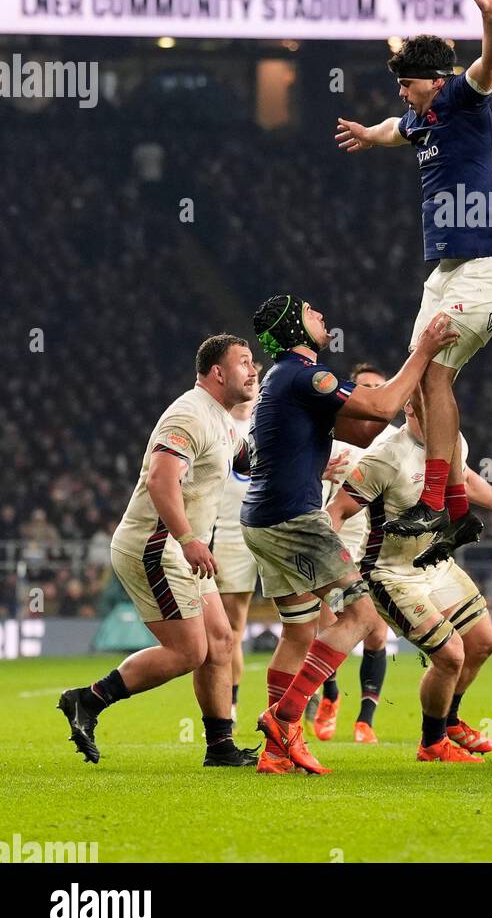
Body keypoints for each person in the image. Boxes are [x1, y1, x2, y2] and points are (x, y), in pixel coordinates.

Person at [336, 0, 492, 563]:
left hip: (487, 267)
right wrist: (370, 133)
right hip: (444, 273)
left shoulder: (462, 98)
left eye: (408, 83)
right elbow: (398, 128)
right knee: (415, 387)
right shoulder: (420, 117)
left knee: (434, 373)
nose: (402, 93)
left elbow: (490, 66)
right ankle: (460, 511)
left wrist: (490, 16)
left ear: (435, 80)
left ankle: (439, 500)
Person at [243, 294, 457, 775]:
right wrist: (423, 352)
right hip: (293, 520)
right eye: (307, 311)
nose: (319, 312)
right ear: (295, 330)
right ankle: (285, 719)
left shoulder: (285, 381)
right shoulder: (304, 375)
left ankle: (278, 752)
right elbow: (380, 408)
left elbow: (362, 434)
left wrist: (415, 390)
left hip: (264, 520)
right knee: (361, 617)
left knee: (299, 629)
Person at [59, 335, 260, 768]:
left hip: (179, 547)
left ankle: (220, 747)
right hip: (156, 546)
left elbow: (247, 460)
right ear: (218, 372)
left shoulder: (222, 419)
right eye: (244, 362)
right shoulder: (189, 414)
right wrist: (189, 540)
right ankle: (87, 701)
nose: (253, 369)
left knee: (221, 640)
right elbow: (160, 481)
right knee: (190, 651)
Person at [328, 397, 492, 761]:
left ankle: (448, 720)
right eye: (432, 407)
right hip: (390, 572)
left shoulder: (453, 439)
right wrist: (335, 573)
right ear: (410, 409)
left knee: (483, 642)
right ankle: (432, 743)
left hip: (434, 563)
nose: (442, 414)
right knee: (450, 654)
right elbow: (336, 510)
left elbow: (464, 477)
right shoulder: (385, 457)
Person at [311, 362, 398, 745]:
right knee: (331, 624)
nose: (374, 393)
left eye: (380, 387)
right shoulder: (336, 434)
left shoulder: (398, 441)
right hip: (338, 544)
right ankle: (330, 695)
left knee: (376, 633)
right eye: (365, 387)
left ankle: (365, 720)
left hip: (377, 550)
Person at [214, 361, 263, 727]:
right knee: (233, 628)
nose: (250, 382)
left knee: (306, 619)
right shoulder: (219, 427)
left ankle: (311, 695)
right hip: (231, 533)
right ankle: (229, 708)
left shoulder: (274, 424)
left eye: (255, 377)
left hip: (277, 528)